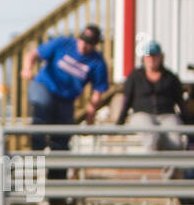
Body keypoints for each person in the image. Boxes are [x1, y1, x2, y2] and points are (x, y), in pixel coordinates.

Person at [22, 24, 110, 182]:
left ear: (94, 45)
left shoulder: (97, 62)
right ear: (79, 38)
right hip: (44, 86)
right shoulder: (63, 43)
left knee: (62, 139)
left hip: (66, 99)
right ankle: (34, 160)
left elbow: (97, 93)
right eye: (83, 41)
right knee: (41, 111)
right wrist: (27, 68)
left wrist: (90, 116)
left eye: (89, 44)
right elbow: (32, 54)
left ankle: (57, 189)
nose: (84, 46)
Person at [118, 41, 187, 181]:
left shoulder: (170, 77)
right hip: (142, 114)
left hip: (166, 114)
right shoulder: (135, 76)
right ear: (144, 59)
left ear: (161, 57)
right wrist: (120, 120)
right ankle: (152, 175)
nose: (151, 60)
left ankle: (169, 178)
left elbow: (180, 101)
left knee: (176, 140)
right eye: (148, 57)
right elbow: (126, 100)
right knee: (152, 136)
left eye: (154, 56)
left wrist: (187, 120)